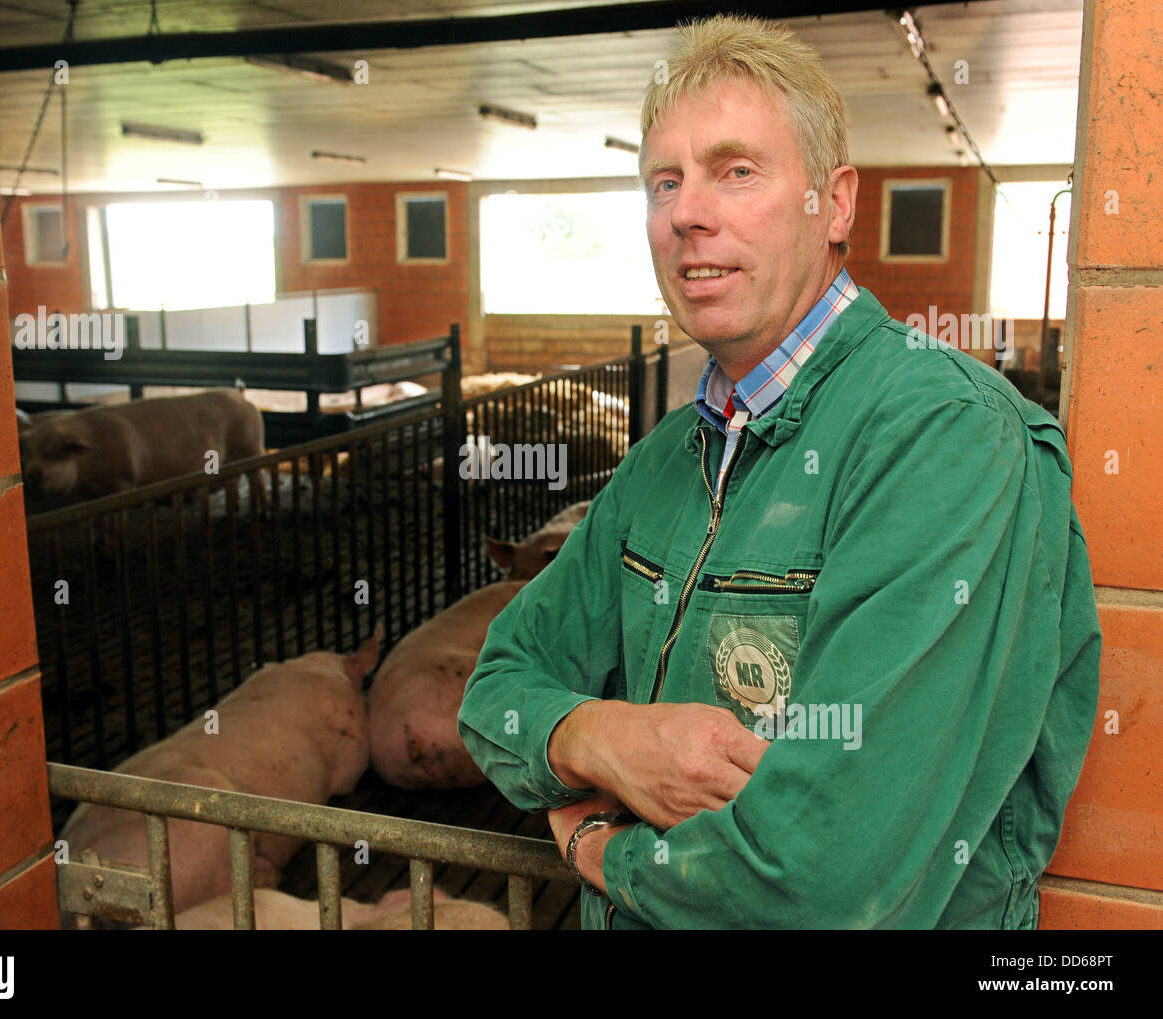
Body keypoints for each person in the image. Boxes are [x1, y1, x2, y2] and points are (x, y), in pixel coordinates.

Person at [456, 13, 1100, 930]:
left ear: (834, 204)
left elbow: (825, 877)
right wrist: (602, 735)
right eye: (663, 182)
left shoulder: (945, 438)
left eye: (737, 171)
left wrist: (600, 848)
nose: (686, 212)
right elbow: (493, 692)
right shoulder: (666, 460)